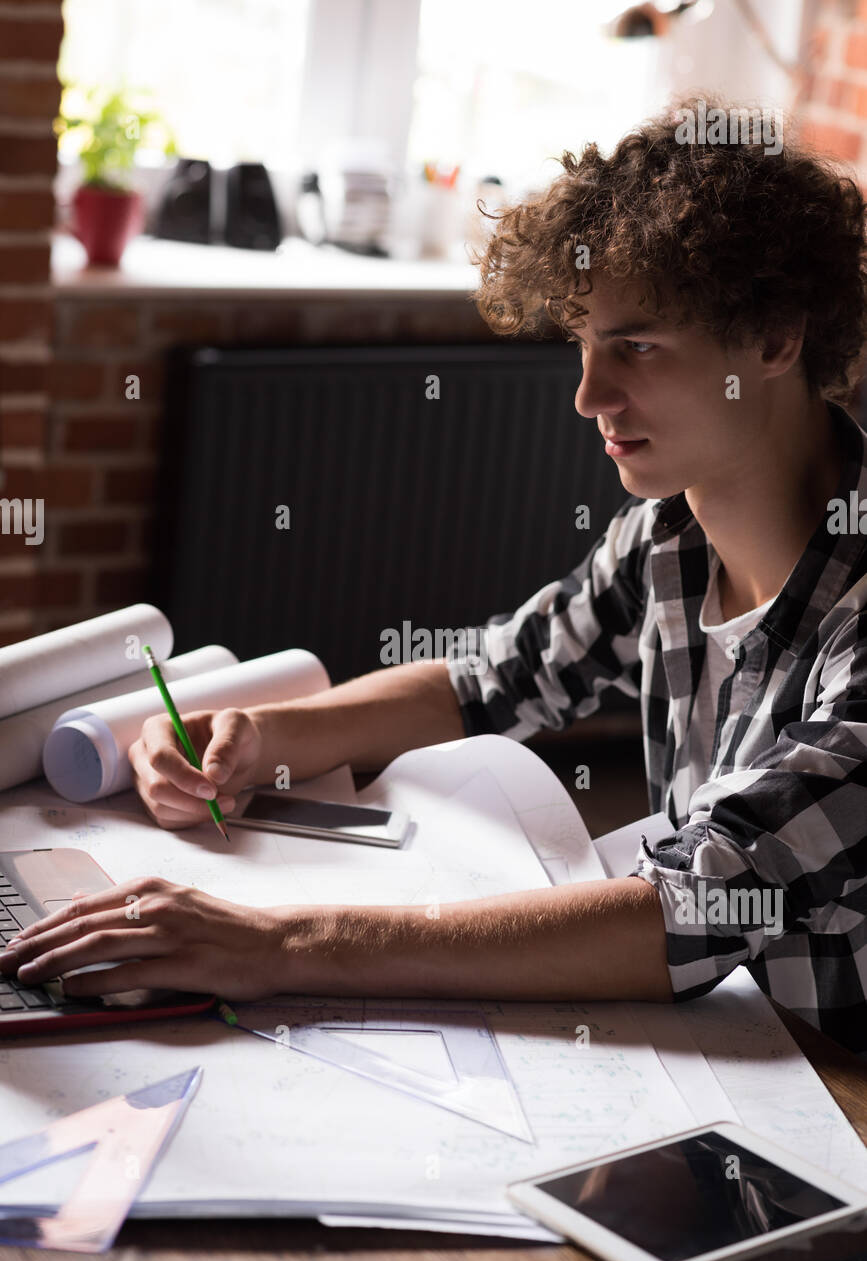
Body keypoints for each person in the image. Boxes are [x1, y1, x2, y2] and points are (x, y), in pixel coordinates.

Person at [5, 94, 867, 1058]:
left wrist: (275, 942)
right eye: (582, 345)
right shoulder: (668, 536)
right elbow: (488, 682)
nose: (588, 396)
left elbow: (699, 906)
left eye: (637, 347)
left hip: (842, 1093)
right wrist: (260, 739)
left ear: (775, 340)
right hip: (746, 1044)